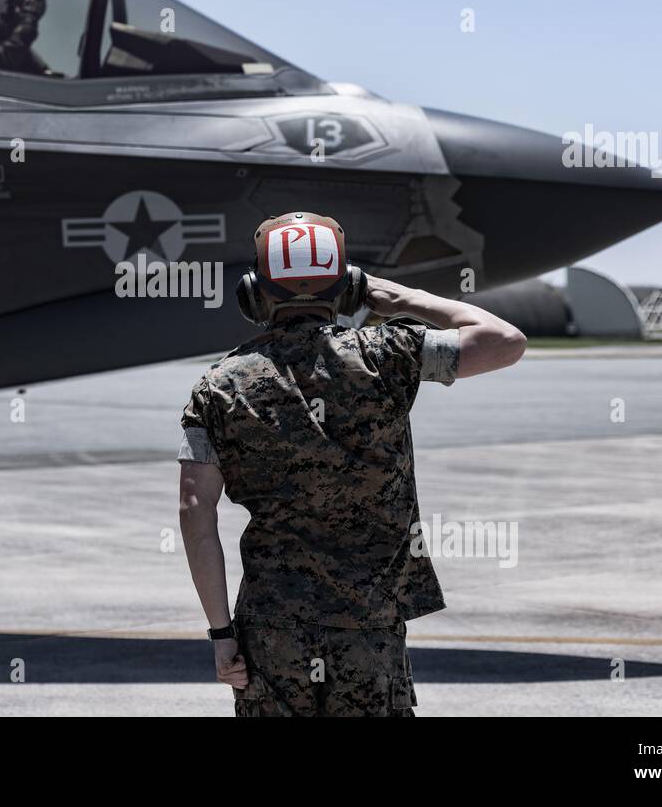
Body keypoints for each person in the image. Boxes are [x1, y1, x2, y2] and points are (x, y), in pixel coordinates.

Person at [177, 211, 526, 716]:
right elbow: (505, 342)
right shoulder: (389, 354)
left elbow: (194, 508)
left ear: (255, 292)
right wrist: (406, 299)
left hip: (271, 624)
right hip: (370, 622)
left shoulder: (218, 386)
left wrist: (221, 633)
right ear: (349, 288)